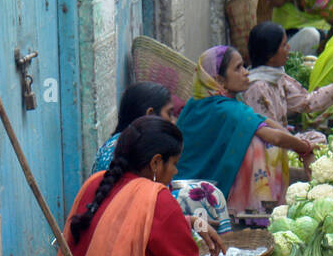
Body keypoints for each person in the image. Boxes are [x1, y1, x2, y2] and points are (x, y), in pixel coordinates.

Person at [56, 116, 218, 256]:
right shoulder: (157, 198)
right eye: (174, 163)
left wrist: (190, 221)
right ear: (156, 163)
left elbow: (130, 226)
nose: (175, 172)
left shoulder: (94, 183)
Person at [175, 47, 314, 210]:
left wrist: (300, 146)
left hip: (181, 187)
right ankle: (255, 210)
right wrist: (305, 149)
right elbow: (274, 137)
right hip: (205, 195)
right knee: (258, 141)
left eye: (244, 66)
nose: (246, 72)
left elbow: (266, 121)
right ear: (220, 81)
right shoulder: (227, 109)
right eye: (238, 68)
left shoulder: (198, 103)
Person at [92, 82, 230, 242]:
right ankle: (222, 252)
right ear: (150, 114)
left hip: (123, 225)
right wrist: (186, 221)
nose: (174, 121)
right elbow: (137, 210)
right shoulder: (135, 148)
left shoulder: (115, 144)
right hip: (122, 233)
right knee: (204, 194)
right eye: (169, 113)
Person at [244, 23, 333, 161]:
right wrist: (300, 146)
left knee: (318, 138)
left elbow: (307, 102)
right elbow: (270, 136)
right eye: (283, 45)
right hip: (268, 149)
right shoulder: (257, 87)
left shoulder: (278, 77)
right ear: (271, 56)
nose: (288, 48)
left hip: (283, 138)